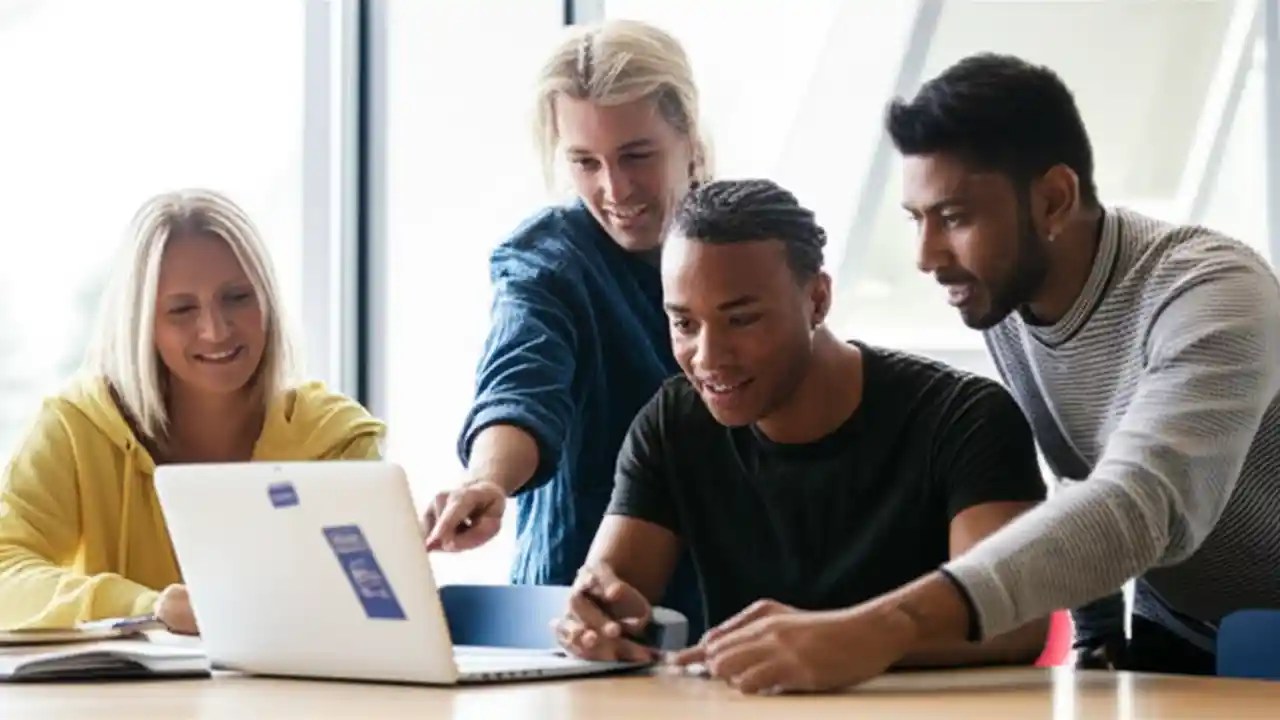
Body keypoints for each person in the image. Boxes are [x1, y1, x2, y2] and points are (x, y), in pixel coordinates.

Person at [753, 51, 1280, 687]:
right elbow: (1081, 475)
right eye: (917, 219)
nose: (925, 256)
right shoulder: (1004, 295)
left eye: (954, 217)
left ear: (1054, 199)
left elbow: (1142, 502)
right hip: (1184, 627)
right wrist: (1099, 637)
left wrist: (881, 625)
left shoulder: (1213, 291)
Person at [554, 179, 1051, 692]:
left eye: (741, 319)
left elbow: (1016, 622)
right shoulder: (673, 424)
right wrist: (596, 621)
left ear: (817, 299)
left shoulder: (964, 418)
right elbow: (612, 594)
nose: (706, 357)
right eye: (683, 323)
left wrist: (852, 640)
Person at [421, 20, 709, 630]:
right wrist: (488, 482)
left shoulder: (749, 243)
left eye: (637, 155)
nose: (615, 188)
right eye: (585, 162)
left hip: (735, 606)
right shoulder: (549, 261)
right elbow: (519, 385)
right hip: (576, 614)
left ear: (687, 133)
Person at [0, 189, 386, 632]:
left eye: (237, 297)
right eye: (182, 309)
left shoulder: (336, 437)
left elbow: (377, 602)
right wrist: (150, 607)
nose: (215, 329)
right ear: (143, 325)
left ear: (267, 302)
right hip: (121, 699)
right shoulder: (77, 425)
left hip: (289, 695)